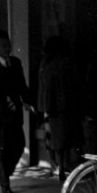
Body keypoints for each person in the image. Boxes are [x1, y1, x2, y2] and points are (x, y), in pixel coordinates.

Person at [0, 29, 32, 193]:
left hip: (16, 115)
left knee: (19, 145)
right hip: (1, 117)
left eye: (9, 45)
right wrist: (4, 103)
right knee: (2, 151)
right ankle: (4, 184)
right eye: (4, 46)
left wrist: (28, 102)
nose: (7, 49)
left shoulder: (16, 63)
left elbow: (22, 85)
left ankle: (5, 174)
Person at [34, 35, 76, 179]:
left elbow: (44, 89)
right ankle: (62, 166)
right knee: (63, 138)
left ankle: (56, 165)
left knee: (52, 138)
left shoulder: (46, 65)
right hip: (63, 107)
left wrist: (44, 108)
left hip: (50, 107)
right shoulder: (64, 64)